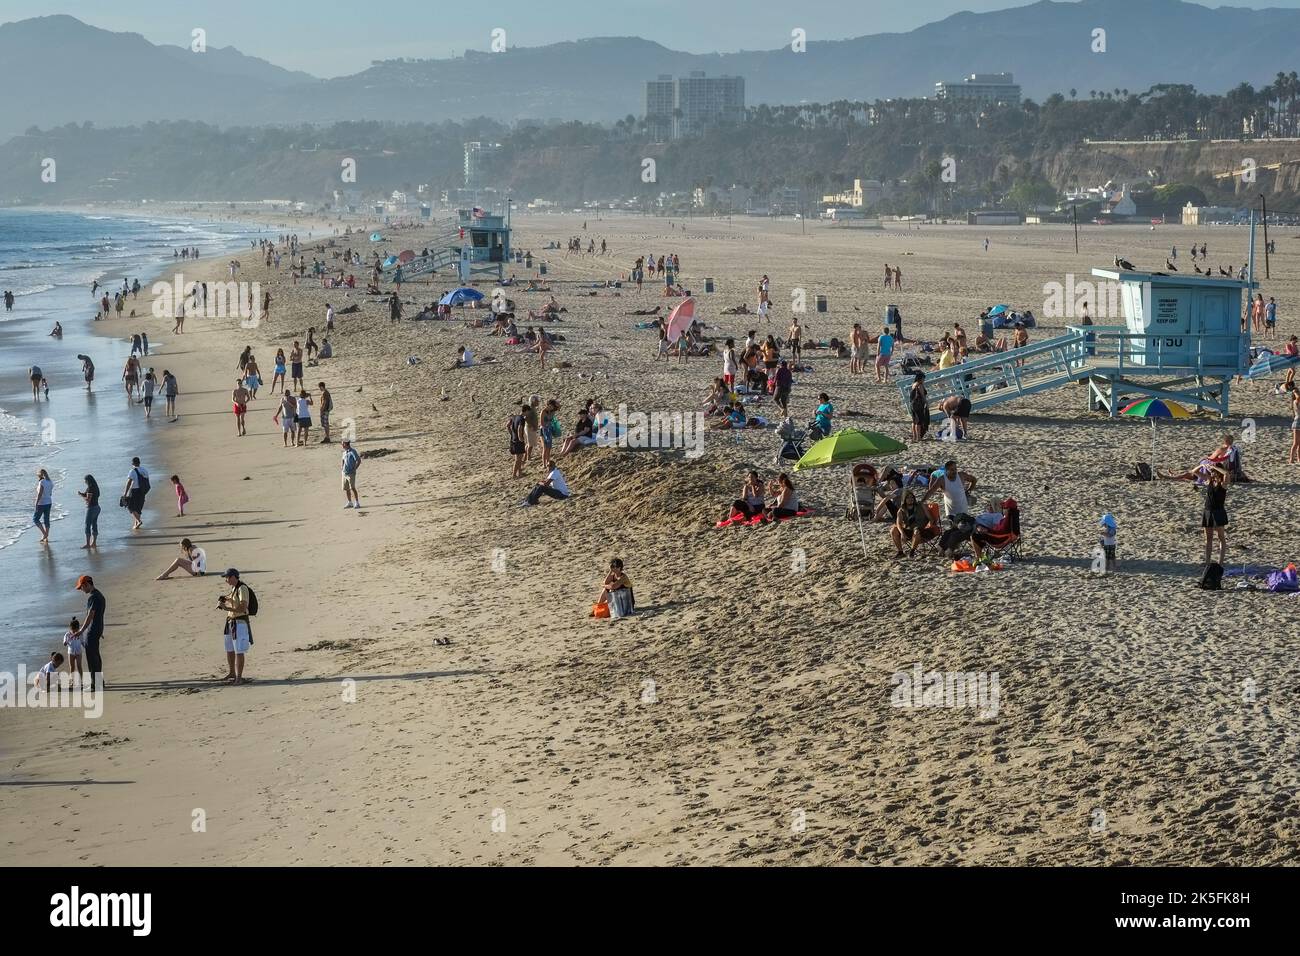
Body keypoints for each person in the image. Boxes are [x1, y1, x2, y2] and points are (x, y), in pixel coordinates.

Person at [921, 460, 982, 560]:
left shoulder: (961, 475)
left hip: (963, 511)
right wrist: (922, 501)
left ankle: (942, 547)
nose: (955, 471)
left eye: (955, 469)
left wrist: (969, 490)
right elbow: (931, 491)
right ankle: (949, 549)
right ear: (946, 470)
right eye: (952, 470)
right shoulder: (942, 479)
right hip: (951, 512)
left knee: (956, 530)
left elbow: (974, 480)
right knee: (961, 529)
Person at [217, 568, 252, 684]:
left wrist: (227, 608)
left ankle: (239, 677)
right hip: (230, 622)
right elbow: (235, 603)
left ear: (233, 577)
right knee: (230, 649)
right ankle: (232, 672)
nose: (226, 580)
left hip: (239, 622)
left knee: (239, 650)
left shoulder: (242, 588)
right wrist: (225, 600)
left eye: (227, 578)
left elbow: (243, 607)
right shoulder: (233, 589)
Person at [73, 575, 106, 691]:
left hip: (92, 630)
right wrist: (100, 630)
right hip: (98, 629)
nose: (81, 590)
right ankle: (99, 682)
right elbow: (99, 616)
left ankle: (95, 685)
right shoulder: (100, 595)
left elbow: (90, 616)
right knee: (96, 656)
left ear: (86, 584)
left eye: (81, 587)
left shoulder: (93, 598)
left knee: (92, 658)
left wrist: (81, 630)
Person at [891, 490, 937, 557]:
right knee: (893, 530)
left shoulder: (920, 505)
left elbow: (930, 518)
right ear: (904, 500)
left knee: (916, 530)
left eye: (912, 497)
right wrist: (902, 533)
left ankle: (912, 552)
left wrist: (930, 524)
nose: (911, 499)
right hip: (909, 530)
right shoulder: (901, 510)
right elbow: (898, 524)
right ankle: (900, 552)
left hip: (922, 530)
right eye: (908, 498)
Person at [1201, 466, 1229, 566]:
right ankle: (1207, 562)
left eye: (1214, 472)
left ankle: (1220, 562)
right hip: (1208, 512)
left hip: (1218, 512)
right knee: (1208, 539)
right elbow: (1194, 472)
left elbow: (1226, 474)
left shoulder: (1223, 484)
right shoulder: (1209, 481)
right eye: (1211, 472)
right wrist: (1202, 466)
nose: (1212, 473)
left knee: (1221, 537)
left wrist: (1214, 466)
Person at [122, 456, 149, 530]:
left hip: (134, 490)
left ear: (132, 463)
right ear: (139, 462)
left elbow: (129, 483)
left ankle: (139, 521)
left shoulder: (132, 471)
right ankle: (136, 524)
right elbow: (147, 482)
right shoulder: (144, 470)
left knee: (130, 507)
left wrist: (125, 493)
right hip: (142, 491)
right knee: (138, 508)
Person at [31, 468, 54, 545]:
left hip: (42, 503)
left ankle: (45, 534)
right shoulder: (50, 482)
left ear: (40, 475)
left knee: (35, 519)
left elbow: (40, 494)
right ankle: (46, 537)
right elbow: (50, 494)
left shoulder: (42, 482)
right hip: (49, 502)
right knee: (46, 519)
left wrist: (36, 502)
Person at [78, 475, 100, 549]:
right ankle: (94, 543)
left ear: (87, 480)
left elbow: (88, 500)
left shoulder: (90, 488)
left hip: (91, 508)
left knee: (87, 525)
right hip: (97, 507)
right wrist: (82, 494)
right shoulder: (95, 487)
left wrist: (83, 497)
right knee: (94, 524)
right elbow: (88, 495)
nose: (84, 481)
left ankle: (88, 544)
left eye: (85, 480)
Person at [507, 403, 528, 478]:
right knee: (518, 459)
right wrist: (520, 438)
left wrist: (512, 434)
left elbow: (507, 425)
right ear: (526, 411)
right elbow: (520, 429)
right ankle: (514, 474)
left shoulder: (514, 417)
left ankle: (520, 473)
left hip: (513, 439)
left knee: (518, 458)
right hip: (518, 441)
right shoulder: (522, 419)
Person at [62, 618, 84, 685]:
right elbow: (64, 643)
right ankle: (72, 680)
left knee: (79, 666)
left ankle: (81, 680)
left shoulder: (80, 634)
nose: (74, 632)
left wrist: (86, 646)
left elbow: (83, 642)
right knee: (72, 667)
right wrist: (65, 642)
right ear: (70, 628)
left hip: (78, 652)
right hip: (71, 652)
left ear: (78, 628)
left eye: (76, 630)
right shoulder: (67, 634)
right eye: (73, 630)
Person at [341, 439, 362, 509]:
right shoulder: (344, 452)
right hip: (344, 473)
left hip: (351, 473)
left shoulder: (353, 451)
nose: (342, 445)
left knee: (352, 488)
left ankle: (357, 502)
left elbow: (358, 460)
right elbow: (343, 460)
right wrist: (342, 467)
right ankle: (350, 502)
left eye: (343, 444)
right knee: (346, 488)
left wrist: (354, 469)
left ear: (346, 444)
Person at [909, 372, 929, 441]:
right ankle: (918, 437)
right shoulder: (920, 385)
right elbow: (923, 396)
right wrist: (926, 403)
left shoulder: (914, 384)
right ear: (920, 378)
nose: (924, 380)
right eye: (923, 378)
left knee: (914, 420)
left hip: (912, 404)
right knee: (919, 421)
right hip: (918, 404)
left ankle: (914, 436)